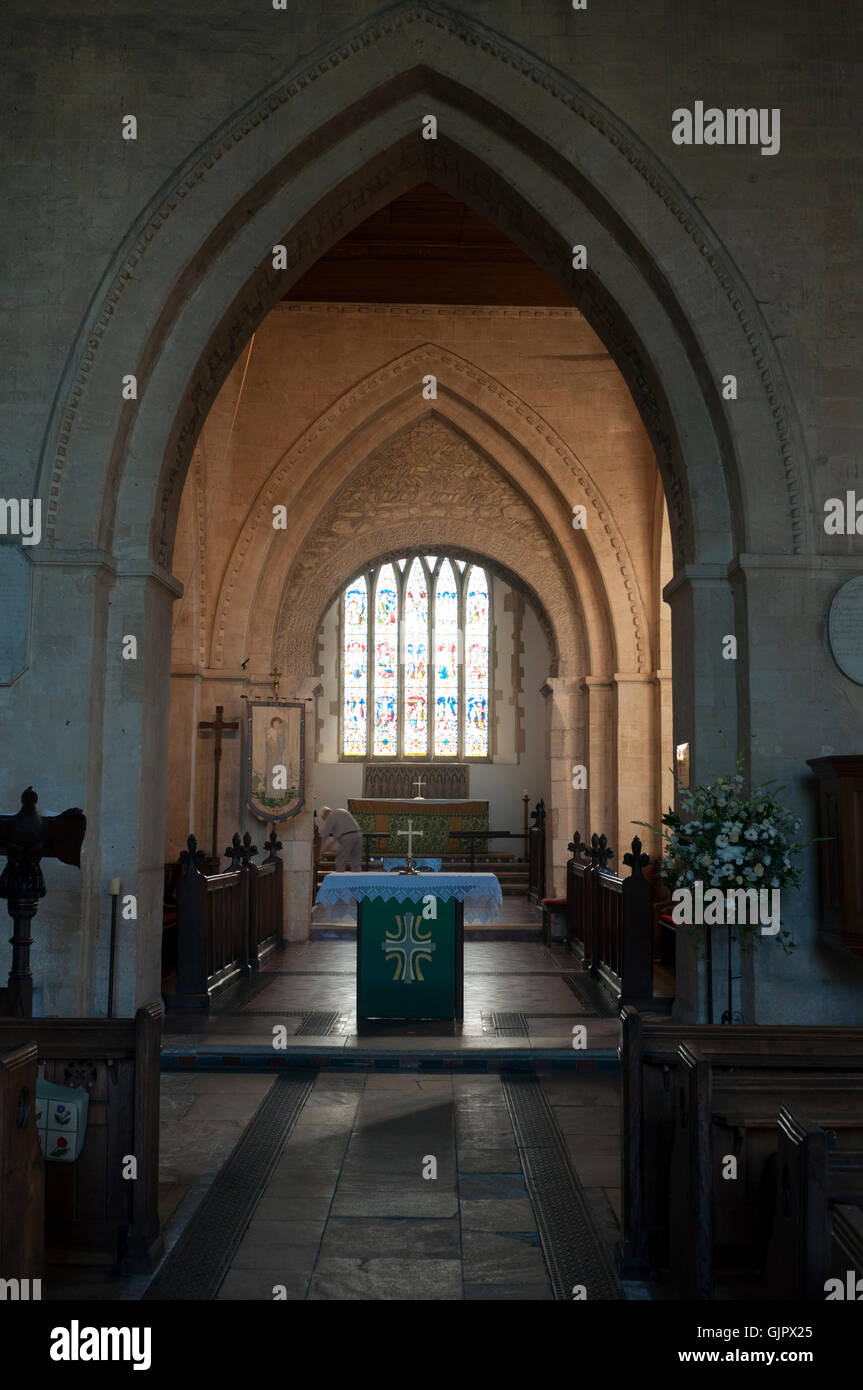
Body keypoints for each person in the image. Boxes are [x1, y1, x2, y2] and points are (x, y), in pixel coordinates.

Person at [319, 805, 364, 872]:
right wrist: (331, 843)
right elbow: (342, 830)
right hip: (358, 835)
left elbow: (325, 834)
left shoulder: (331, 816)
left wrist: (320, 850)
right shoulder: (342, 811)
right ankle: (357, 880)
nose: (325, 820)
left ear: (325, 815)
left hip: (347, 837)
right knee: (356, 863)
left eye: (324, 818)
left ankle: (340, 880)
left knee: (340, 862)